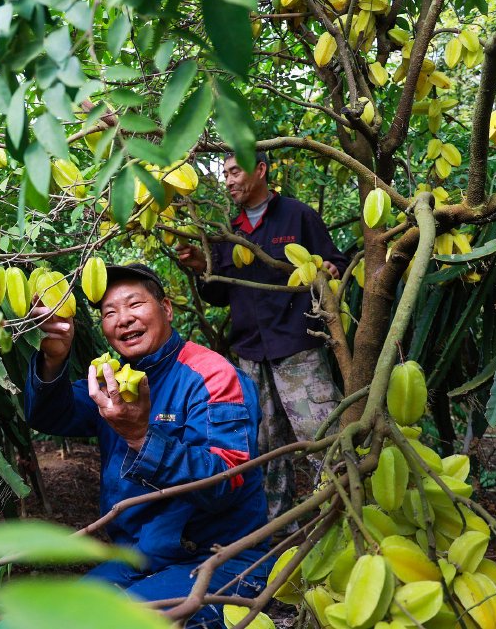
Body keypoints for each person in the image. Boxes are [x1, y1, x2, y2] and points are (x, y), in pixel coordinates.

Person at [26, 262, 272, 629]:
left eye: (134, 304)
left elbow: (225, 483)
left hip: (220, 558)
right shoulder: (113, 378)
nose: (123, 319)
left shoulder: (212, 375)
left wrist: (140, 436)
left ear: (166, 309)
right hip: (141, 557)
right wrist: (54, 358)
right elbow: (51, 416)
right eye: (109, 312)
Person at [177, 151, 348, 529]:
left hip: (299, 348)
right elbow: (220, 295)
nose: (229, 180)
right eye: (225, 173)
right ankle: (277, 533)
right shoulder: (229, 230)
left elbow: (334, 261)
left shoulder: (297, 215)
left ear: (261, 170)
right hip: (251, 353)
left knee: (322, 437)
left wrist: (331, 268)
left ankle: (342, 518)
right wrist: (201, 269)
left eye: (235, 171)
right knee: (265, 449)